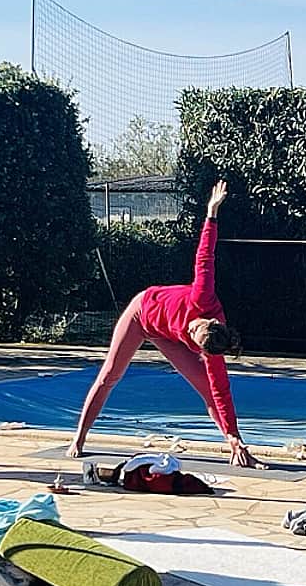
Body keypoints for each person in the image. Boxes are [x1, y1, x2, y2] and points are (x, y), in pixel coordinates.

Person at [67, 181, 263, 468]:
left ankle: (233, 445)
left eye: (195, 341)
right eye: (195, 331)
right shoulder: (203, 296)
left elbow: (221, 391)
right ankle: (79, 437)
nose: (191, 333)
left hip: (165, 335)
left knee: (209, 389)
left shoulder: (212, 347)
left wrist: (234, 434)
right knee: (110, 374)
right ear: (207, 320)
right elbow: (205, 257)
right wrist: (211, 213)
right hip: (141, 314)